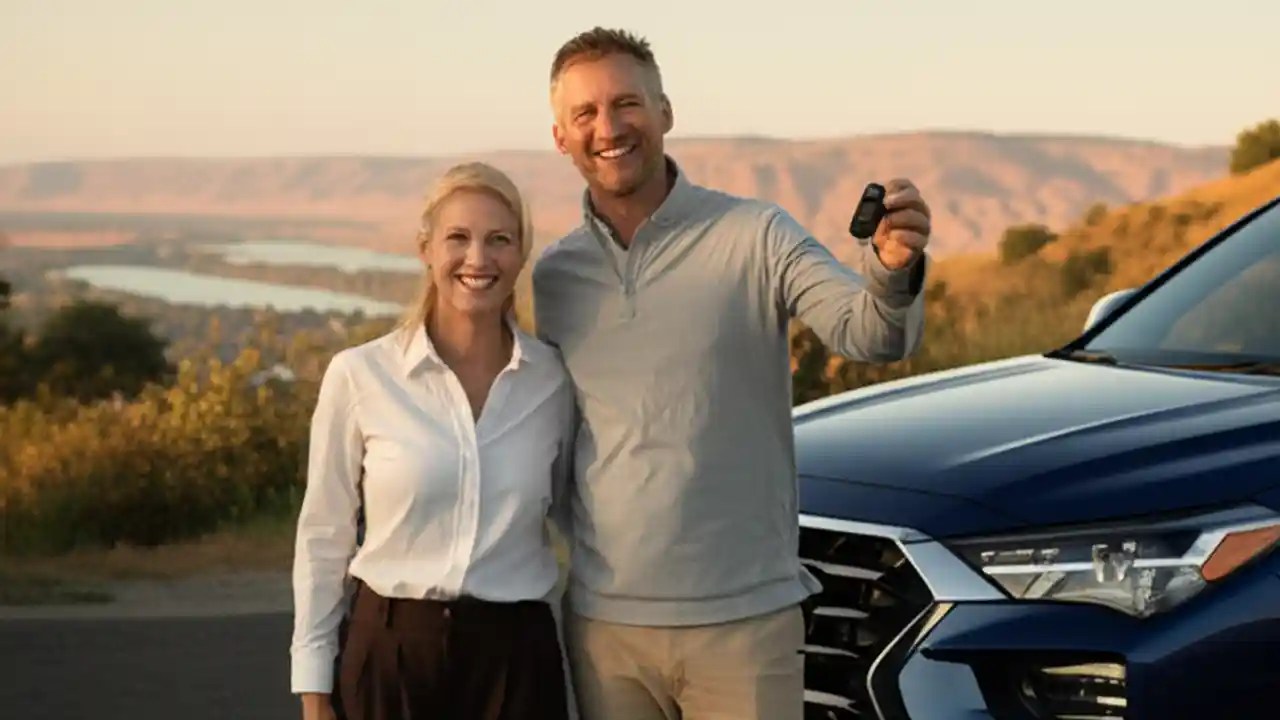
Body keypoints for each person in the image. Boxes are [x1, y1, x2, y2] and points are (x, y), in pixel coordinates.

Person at [531, 27, 932, 720]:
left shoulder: (757, 234)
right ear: (561, 137)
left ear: (664, 112)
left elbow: (870, 333)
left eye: (627, 103)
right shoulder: (555, 276)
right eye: (585, 113)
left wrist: (892, 271)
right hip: (605, 630)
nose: (609, 128)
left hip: (744, 627)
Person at [290, 161, 576, 720]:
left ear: (521, 254)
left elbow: (582, 520)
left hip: (515, 662)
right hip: (389, 658)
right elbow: (323, 535)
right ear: (426, 249)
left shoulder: (554, 382)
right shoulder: (361, 375)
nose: (478, 258)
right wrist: (314, 689)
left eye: (499, 240)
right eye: (458, 238)